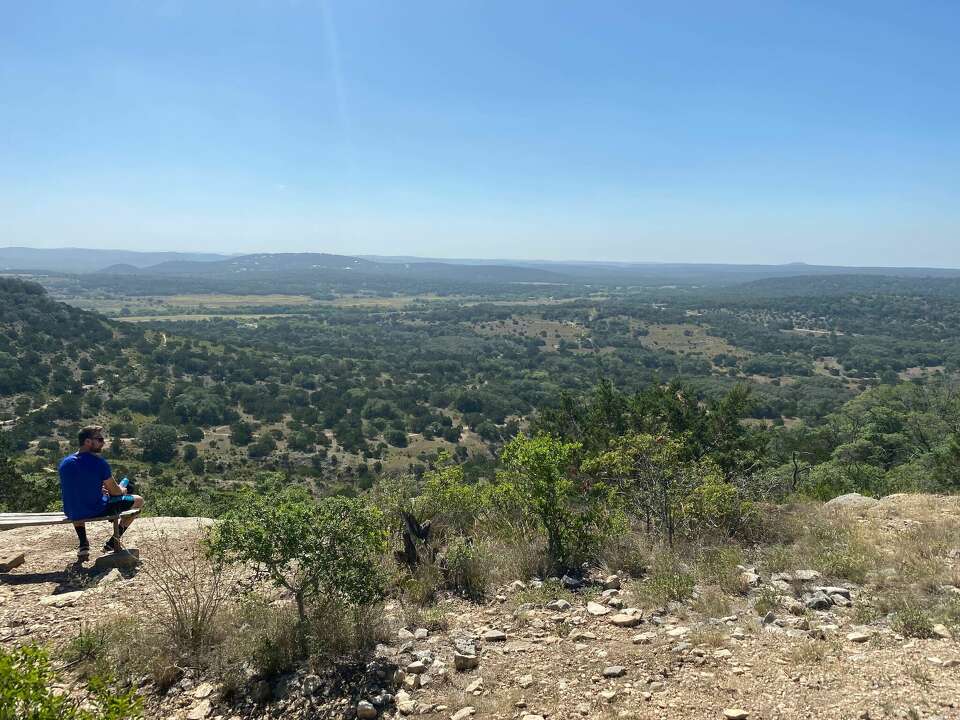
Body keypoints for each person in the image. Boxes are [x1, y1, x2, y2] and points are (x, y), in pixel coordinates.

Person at [58, 425, 144, 560]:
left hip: (71, 511)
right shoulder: (99, 463)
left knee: (77, 501)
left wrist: (98, 490)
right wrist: (123, 489)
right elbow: (116, 492)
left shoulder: (65, 463)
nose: (103, 443)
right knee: (138, 500)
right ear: (87, 441)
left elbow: (78, 488)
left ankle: (83, 544)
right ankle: (113, 542)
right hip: (96, 510)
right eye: (99, 439)